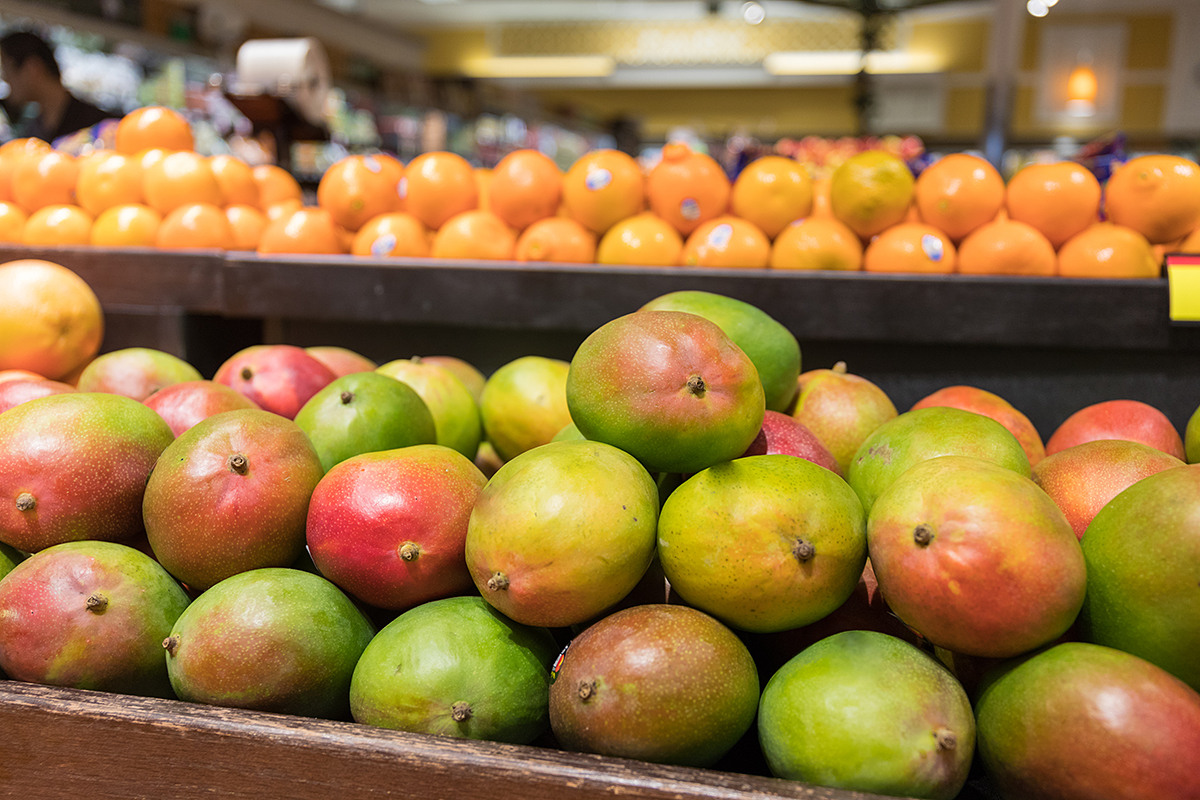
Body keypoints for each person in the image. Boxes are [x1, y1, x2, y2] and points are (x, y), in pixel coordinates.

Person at [0, 30, 118, 143]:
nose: (5, 79)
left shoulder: (102, 126)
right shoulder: (33, 130)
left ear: (32, 68)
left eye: (6, 70)